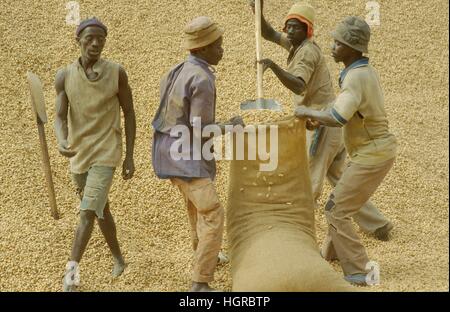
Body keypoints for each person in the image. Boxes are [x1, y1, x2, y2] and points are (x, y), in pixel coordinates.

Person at [250, 0, 393, 241]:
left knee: (310, 182)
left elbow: (298, 84)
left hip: (322, 125)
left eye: (296, 27)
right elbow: (268, 33)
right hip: (332, 127)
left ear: (308, 30)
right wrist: (259, 12)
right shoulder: (297, 44)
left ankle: (298, 235)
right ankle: (377, 224)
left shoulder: (307, 52)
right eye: (288, 26)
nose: (289, 31)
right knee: (340, 180)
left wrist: (274, 67)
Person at [294, 16, 397, 285]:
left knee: (335, 208)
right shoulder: (363, 71)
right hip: (372, 151)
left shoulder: (354, 78)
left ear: (352, 48)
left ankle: (360, 270)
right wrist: (320, 116)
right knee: (340, 200)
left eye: (338, 44)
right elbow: (346, 108)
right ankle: (332, 253)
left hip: (371, 156)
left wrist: (307, 111)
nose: (332, 48)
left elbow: (339, 117)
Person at [151, 16, 244, 292]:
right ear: (202, 48)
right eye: (218, 46)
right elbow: (200, 129)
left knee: (196, 208)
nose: (222, 50)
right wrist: (230, 126)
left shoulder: (177, 69)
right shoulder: (202, 78)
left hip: (166, 152)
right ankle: (200, 282)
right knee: (213, 213)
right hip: (186, 158)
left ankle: (206, 254)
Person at [54, 17, 136, 291]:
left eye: (100, 38)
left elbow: (130, 113)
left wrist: (129, 156)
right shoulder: (65, 76)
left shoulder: (117, 73)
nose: (95, 43)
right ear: (78, 41)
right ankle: (119, 258)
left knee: (87, 212)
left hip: (107, 152)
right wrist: (61, 139)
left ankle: (71, 273)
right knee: (101, 210)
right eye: (89, 38)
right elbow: (59, 116)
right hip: (79, 155)